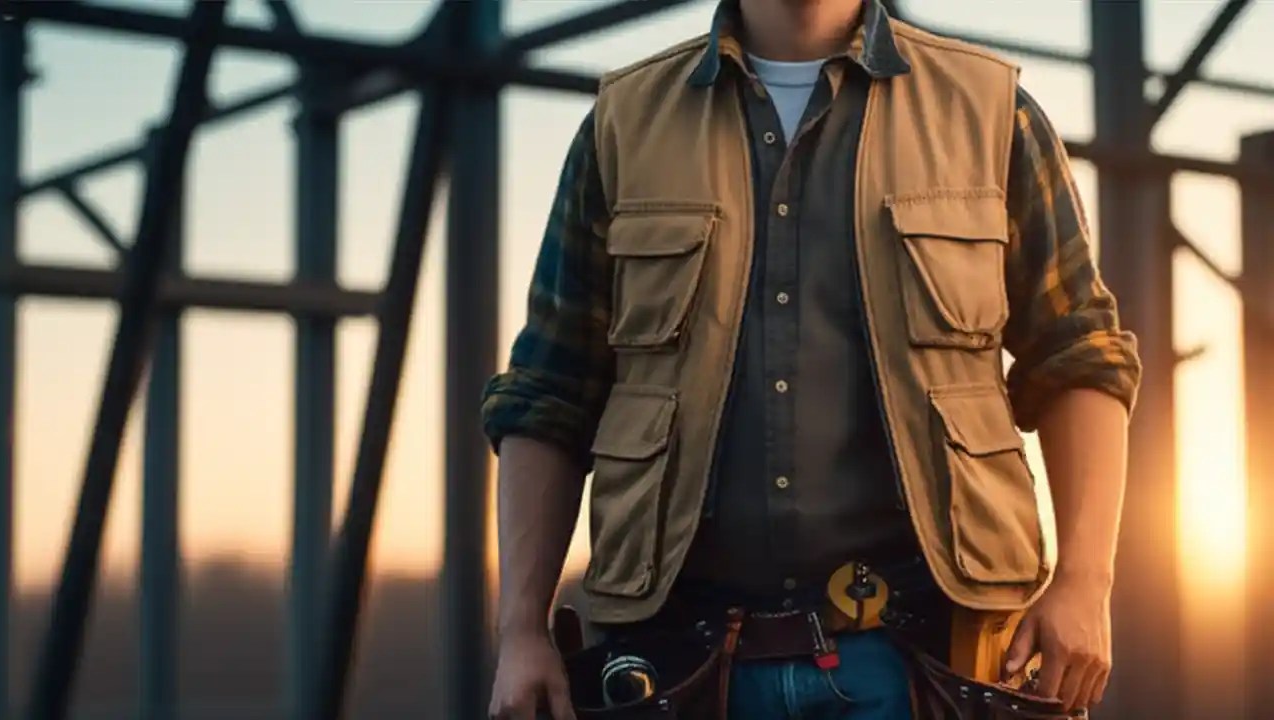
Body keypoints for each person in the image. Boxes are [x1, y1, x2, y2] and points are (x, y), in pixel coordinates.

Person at [481, 0, 1141, 718]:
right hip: (681, 668)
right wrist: (521, 628)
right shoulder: (624, 121)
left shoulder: (989, 112)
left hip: (924, 662)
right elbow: (551, 387)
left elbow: (1079, 354)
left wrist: (1085, 582)